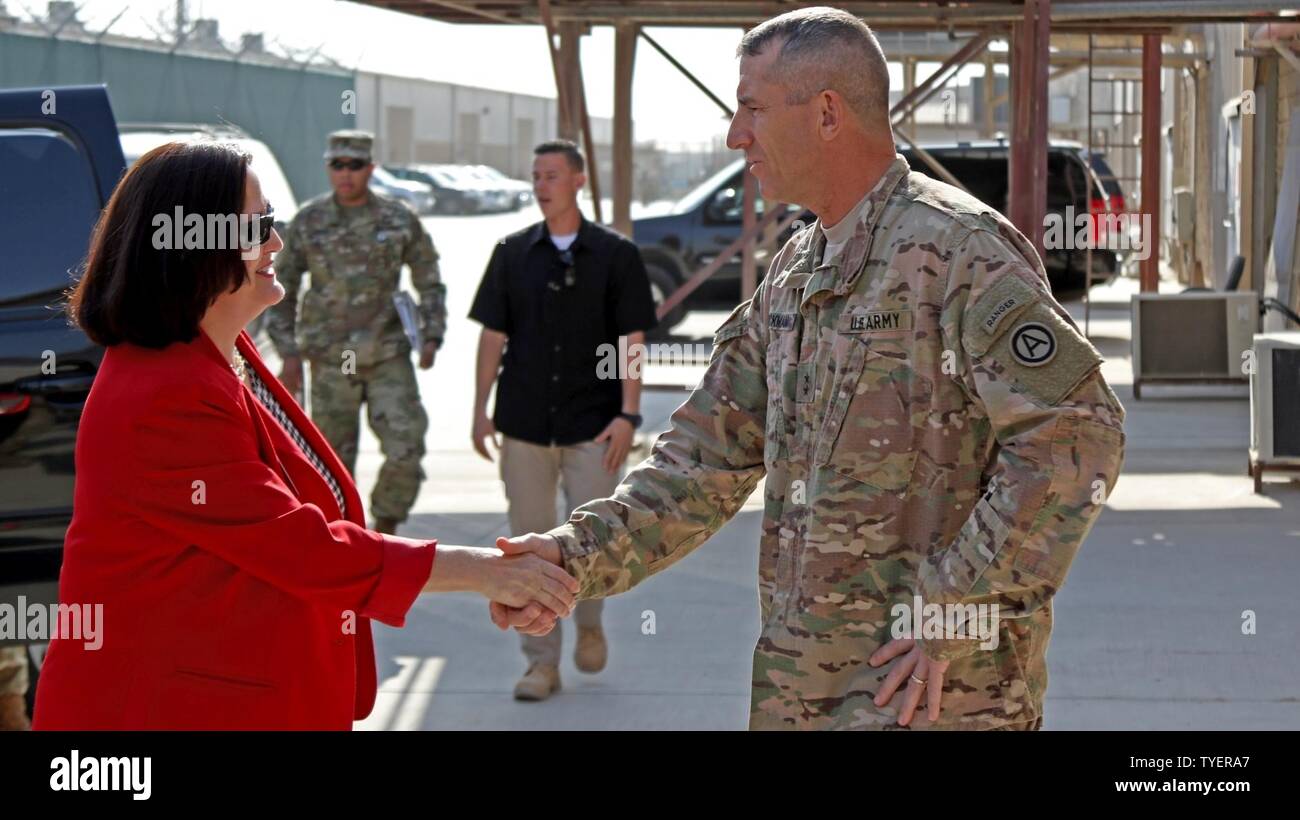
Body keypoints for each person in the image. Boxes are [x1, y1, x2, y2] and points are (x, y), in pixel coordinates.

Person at [491, 7, 1126, 730]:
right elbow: (700, 461)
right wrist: (568, 558)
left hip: (935, 704)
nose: (736, 135)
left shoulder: (957, 252)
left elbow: (1076, 440)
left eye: (753, 108)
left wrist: (953, 609)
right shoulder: (796, 271)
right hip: (806, 697)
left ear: (827, 114)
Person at [33, 141, 576, 730]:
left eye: (275, 222)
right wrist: (486, 571)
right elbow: (301, 547)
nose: (275, 244)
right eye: (257, 226)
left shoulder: (220, 354)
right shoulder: (164, 394)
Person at [469, 140, 657, 701]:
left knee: (591, 540)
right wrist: (479, 410)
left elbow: (631, 340)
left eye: (552, 174)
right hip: (524, 424)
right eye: (535, 176)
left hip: (592, 425)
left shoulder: (616, 255)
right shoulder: (511, 252)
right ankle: (540, 664)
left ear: (578, 180)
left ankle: (590, 622)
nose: (541, 185)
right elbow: (491, 335)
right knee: (527, 547)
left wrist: (628, 414)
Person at [267, 130, 444, 534]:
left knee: (406, 447)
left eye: (355, 166)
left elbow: (429, 279)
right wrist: (289, 354)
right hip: (331, 362)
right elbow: (282, 288)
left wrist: (431, 334)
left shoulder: (399, 220)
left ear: (371, 168)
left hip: (387, 355)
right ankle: (341, 537)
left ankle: (385, 526)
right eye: (337, 165)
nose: (346, 174)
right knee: (328, 462)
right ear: (328, 168)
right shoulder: (309, 222)